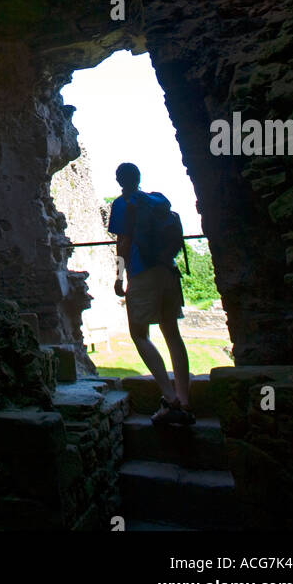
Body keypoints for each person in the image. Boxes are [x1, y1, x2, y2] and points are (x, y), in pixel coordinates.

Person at [108, 161, 195, 426]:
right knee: (172, 335)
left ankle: (171, 400)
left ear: (119, 180)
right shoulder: (157, 201)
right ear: (139, 177)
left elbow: (123, 243)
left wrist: (119, 276)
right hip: (168, 271)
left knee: (139, 334)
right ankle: (185, 399)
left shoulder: (123, 204)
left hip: (142, 272)